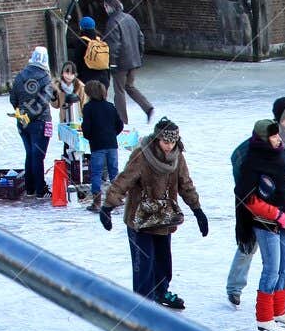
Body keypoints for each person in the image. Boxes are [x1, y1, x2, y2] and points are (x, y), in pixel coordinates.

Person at [99, 116, 208, 311]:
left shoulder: (177, 157)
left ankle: (161, 292)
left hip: (163, 218)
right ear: (157, 139)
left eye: (173, 141)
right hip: (139, 220)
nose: (169, 146)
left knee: (163, 261)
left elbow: (185, 184)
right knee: (144, 264)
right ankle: (142, 303)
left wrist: (197, 210)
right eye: (166, 141)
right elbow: (124, 181)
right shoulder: (142, 155)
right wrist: (108, 206)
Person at [227, 96, 285, 309]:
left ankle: (282, 287)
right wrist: (248, 190)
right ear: (280, 117)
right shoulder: (267, 136)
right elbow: (238, 157)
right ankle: (234, 287)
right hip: (261, 205)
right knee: (250, 244)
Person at [234, 118, 285, 331]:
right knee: (271, 269)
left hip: (282, 220)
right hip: (265, 224)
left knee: (284, 267)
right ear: (264, 139)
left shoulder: (276, 157)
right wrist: (276, 214)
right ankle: (264, 318)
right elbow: (248, 198)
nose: (278, 139)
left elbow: (283, 183)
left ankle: (278, 311)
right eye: (274, 136)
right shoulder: (252, 163)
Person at [9, 46, 54, 197]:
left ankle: (30, 189)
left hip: (22, 122)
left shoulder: (20, 75)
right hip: (40, 122)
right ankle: (40, 190)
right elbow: (42, 103)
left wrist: (23, 112)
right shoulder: (46, 78)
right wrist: (31, 115)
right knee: (38, 156)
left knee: (30, 154)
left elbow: (13, 99)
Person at [103, 0, 153, 126]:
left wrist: (112, 62)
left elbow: (113, 44)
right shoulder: (130, 18)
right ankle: (147, 107)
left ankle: (122, 121)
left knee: (119, 90)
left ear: (108, 7)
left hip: (121, 63)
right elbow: (140, 37)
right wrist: (139, 55)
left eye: (105, 6)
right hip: (134, 60)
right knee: (129, 86)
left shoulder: (112, 21)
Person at [81, 80, 124, 212]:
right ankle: (117, 199)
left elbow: (86, 129)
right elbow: (120, 125)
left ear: (89, 93)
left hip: (97, 145)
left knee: (96, 173)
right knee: (114, 172)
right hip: (112, 144)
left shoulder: (88, 108)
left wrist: (91, 137)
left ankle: (97, 202)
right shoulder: (110, 106)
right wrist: (112, 135)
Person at [69, 15, 112, 93]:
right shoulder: (100, 41)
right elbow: (107, 62)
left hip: (88, 80)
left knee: (89, 103)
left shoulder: (81, 42)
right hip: (104, 79)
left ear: (81, 27)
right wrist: (108, 77)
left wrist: (76, 78)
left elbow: (77, 63)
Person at [51, 61, 86, 125]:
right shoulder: (59, 85)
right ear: (62, 73)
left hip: (77, 121)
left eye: (72, 74)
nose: (69, 76)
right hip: (63, 121)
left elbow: (84, 105)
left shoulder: (80, 86)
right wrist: (54, 93)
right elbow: (55, 105)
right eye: (67, 73)